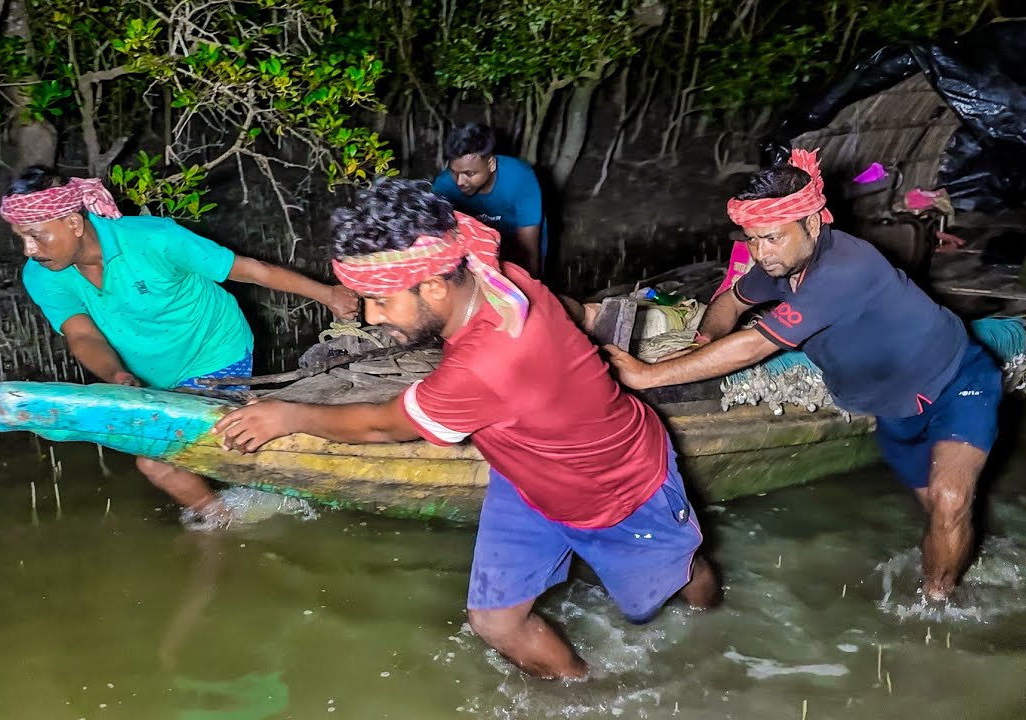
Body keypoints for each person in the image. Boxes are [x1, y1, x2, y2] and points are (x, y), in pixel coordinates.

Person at [210, 178, 719, 679]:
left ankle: (716, 628)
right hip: (527, 476)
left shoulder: (484, 363)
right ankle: (580, 697)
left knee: (679, 576)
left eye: (381, 301)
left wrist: (287, 415)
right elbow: (560, 307)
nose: (368, 316)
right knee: (496, 622)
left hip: (617, 489)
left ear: (433, 286)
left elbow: (383, 427)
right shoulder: (493, 273)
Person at [604, 150, 1002, 602]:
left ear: (812, 223)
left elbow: (756, 344)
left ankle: (937, 607)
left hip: (956, 380)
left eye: (771, 238)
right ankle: (961, 565)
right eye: (752, 240)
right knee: (936, 509)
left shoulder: (848, 266)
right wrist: (704, 343)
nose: (760, 253)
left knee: (950, 501)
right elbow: (732, 301)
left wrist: (647, 375)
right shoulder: (780, 266)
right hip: (894, 409)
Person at [0, 166, 359, 530]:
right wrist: (117, 375)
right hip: (150, 371)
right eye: (20, 238)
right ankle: (224, 514)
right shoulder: (42, 274)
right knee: (174, 448)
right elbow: (83, 336)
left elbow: (252, 270)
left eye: (37, 236)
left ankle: (226, 516)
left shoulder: (155, 239)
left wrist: (328, 294)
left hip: (214, 349)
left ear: (74, 223)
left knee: (158, 459)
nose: (29, 250)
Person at [433, 124, 547, 277]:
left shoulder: (521, 178)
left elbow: (528, 249)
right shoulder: (444, 187)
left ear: (491, 164)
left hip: (517, 239)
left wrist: (532, 285)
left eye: (470, 173)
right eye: (454, 172)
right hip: (476, 244)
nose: (460, 181)